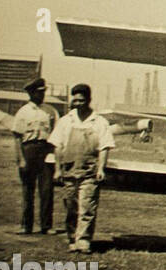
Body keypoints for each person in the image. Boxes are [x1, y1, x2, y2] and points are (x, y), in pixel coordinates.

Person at [47, 84, 115, 254]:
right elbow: (58, 146)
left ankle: (84, 240)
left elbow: (104, 147)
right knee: (71, 206)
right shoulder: (66, 121)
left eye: (81, 100)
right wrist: (57, 169)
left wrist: (101, 169)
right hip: (69, 171)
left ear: (89, 100)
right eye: (75, 100)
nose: (77, 103)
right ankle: (72, 238)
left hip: (89, 172)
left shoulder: (99, 122)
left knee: (87, 207)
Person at [11, 77, 58, 235]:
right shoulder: (23, 112)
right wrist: (21, 159)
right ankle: (26, 225)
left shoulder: (51, 111)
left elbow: (56, 135)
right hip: (28, 150)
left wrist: (53, 155)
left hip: (46, 150)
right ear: (30, 93)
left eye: (43, 92)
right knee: (28, 189)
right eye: (38, 92)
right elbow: (17, 137)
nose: (41, 95)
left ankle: (46, 225)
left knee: (46, 189)